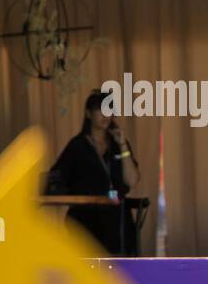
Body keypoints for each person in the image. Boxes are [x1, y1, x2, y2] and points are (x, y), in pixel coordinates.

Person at [47, 89, 140, 255]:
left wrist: (123, 145)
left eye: (109, 110)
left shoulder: (118, 143)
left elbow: (132, 181)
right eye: (100, 109)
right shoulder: (77, 146)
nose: (106, 114)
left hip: (116, 220)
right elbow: (57, 178)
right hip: (86, 219)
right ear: (89, 113)